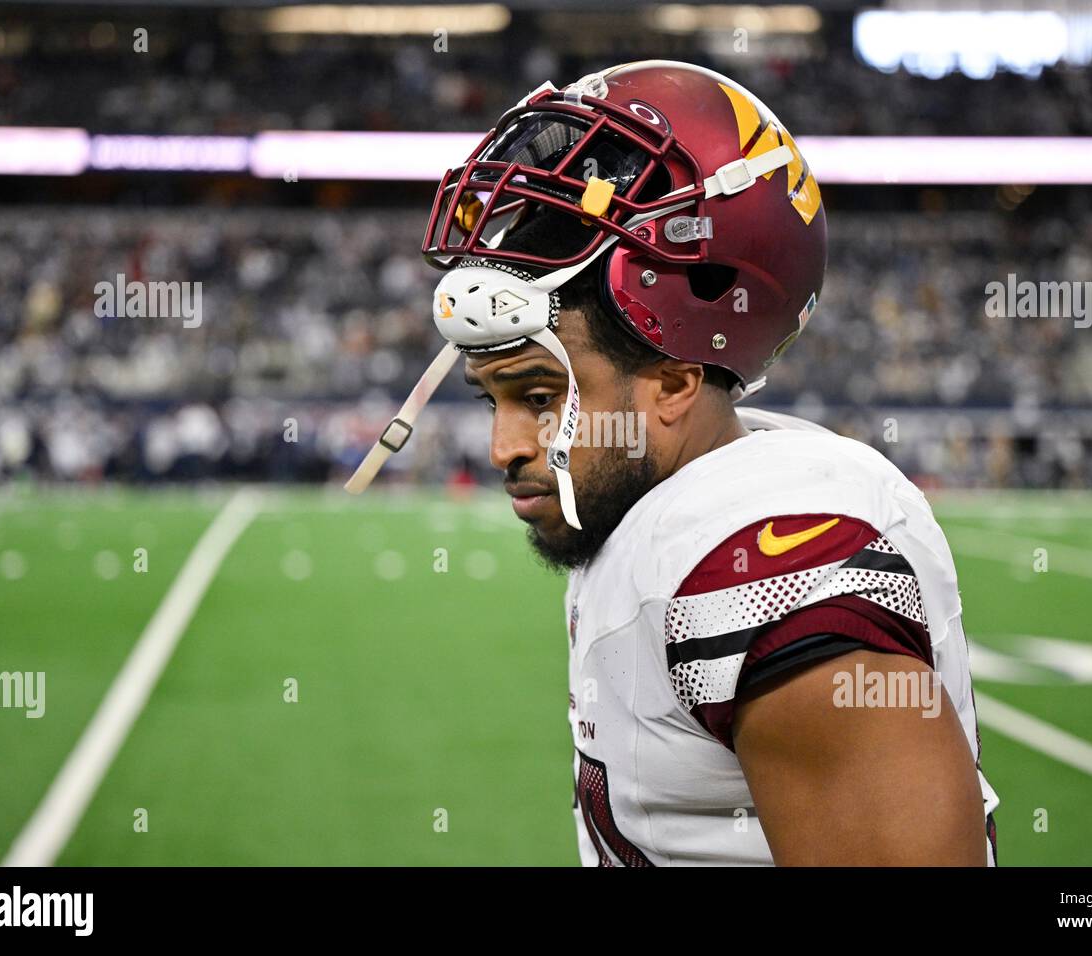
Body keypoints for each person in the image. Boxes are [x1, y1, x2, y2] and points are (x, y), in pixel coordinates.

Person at [347, 60, 999, 866]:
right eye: (494, 400)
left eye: (543, 396)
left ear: (673, 381)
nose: (505, 448)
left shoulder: (765, 567)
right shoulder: (656, 512)